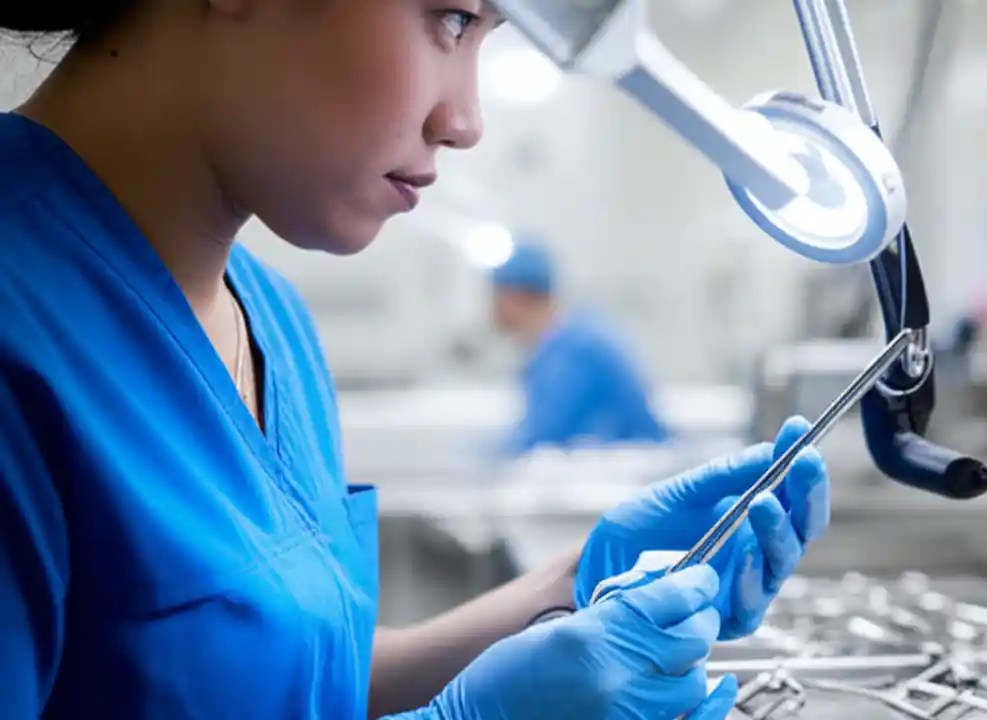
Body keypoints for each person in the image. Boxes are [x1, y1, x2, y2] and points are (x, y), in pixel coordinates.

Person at [0, 3, 832, 720]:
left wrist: (571, 586)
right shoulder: (19, 329)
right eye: (452, 19)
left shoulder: (271, 319)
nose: (466, 121)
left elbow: (296, 682)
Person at [490, 241, 669, 454]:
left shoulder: (570, 352)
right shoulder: (575, 334)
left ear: (516, 297)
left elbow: (543, 437)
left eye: (497, 296)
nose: (492, 309)